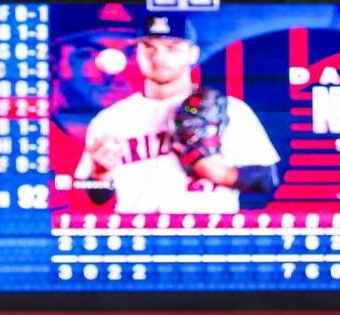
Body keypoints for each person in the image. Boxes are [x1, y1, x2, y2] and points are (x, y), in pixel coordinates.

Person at [73, 14, 280, 213]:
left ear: (193, 53)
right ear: (137, 52)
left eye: (172, 48)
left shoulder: (230, 109)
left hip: (205, 234)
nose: (159, 57)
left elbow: (266, 178)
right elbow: (95, 197)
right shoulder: (109, 120)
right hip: (139, 236)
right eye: (149, 47)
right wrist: (100, 173)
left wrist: (222, 174)